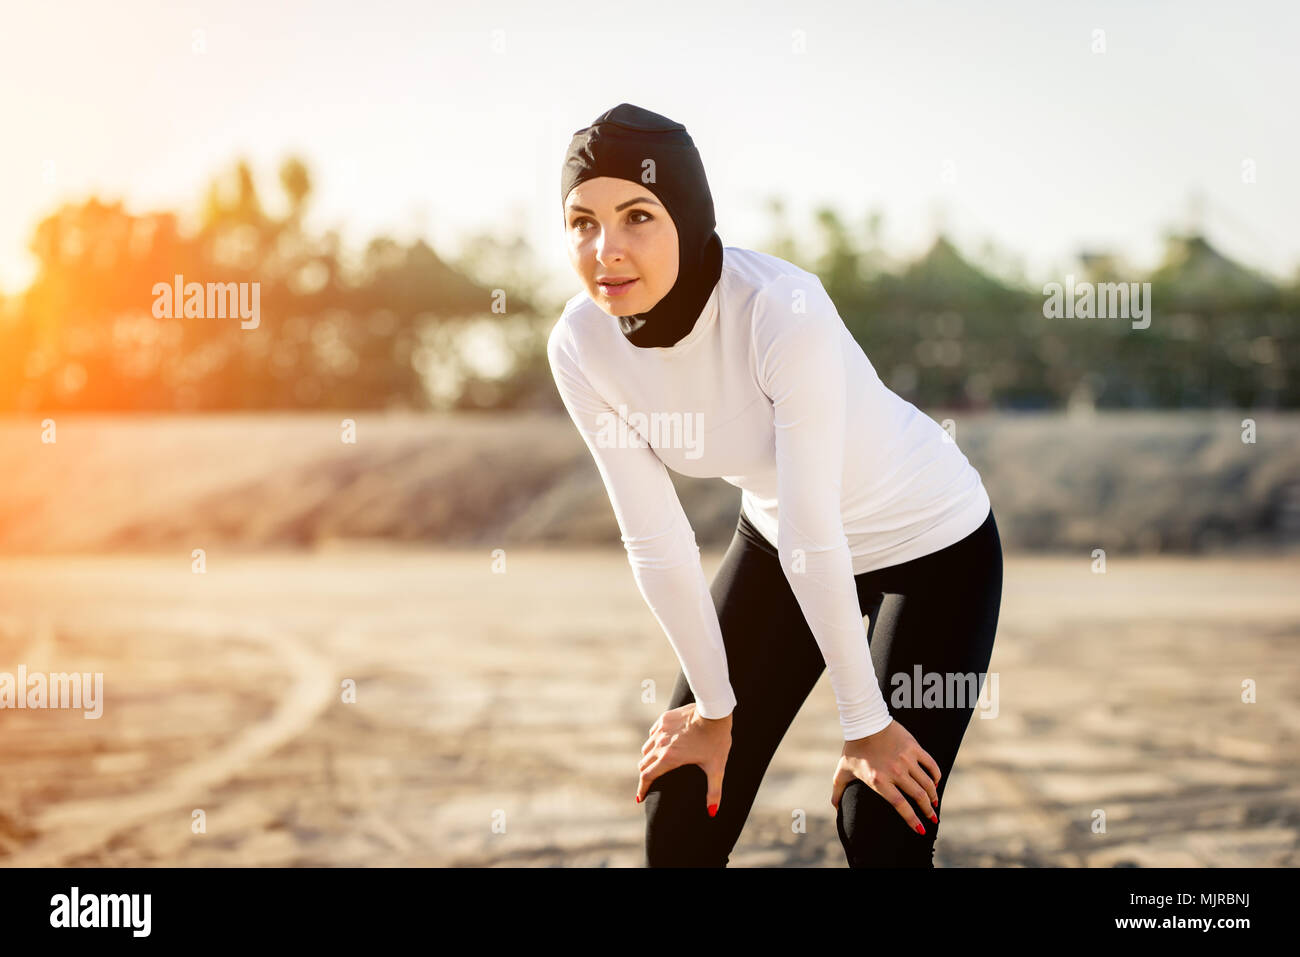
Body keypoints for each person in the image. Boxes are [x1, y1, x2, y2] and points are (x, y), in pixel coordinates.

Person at [548, 103, 1003, 867]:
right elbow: (655, 538)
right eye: (582, 221)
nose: (606, 249)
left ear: (689, 220)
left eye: (637, 217)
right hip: (781, 541)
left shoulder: (779, 309)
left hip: (934, 545)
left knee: (880, 822)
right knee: (685, 805)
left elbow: (813, 529)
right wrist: (715, 710)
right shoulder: (581, 345)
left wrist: (866, 724)